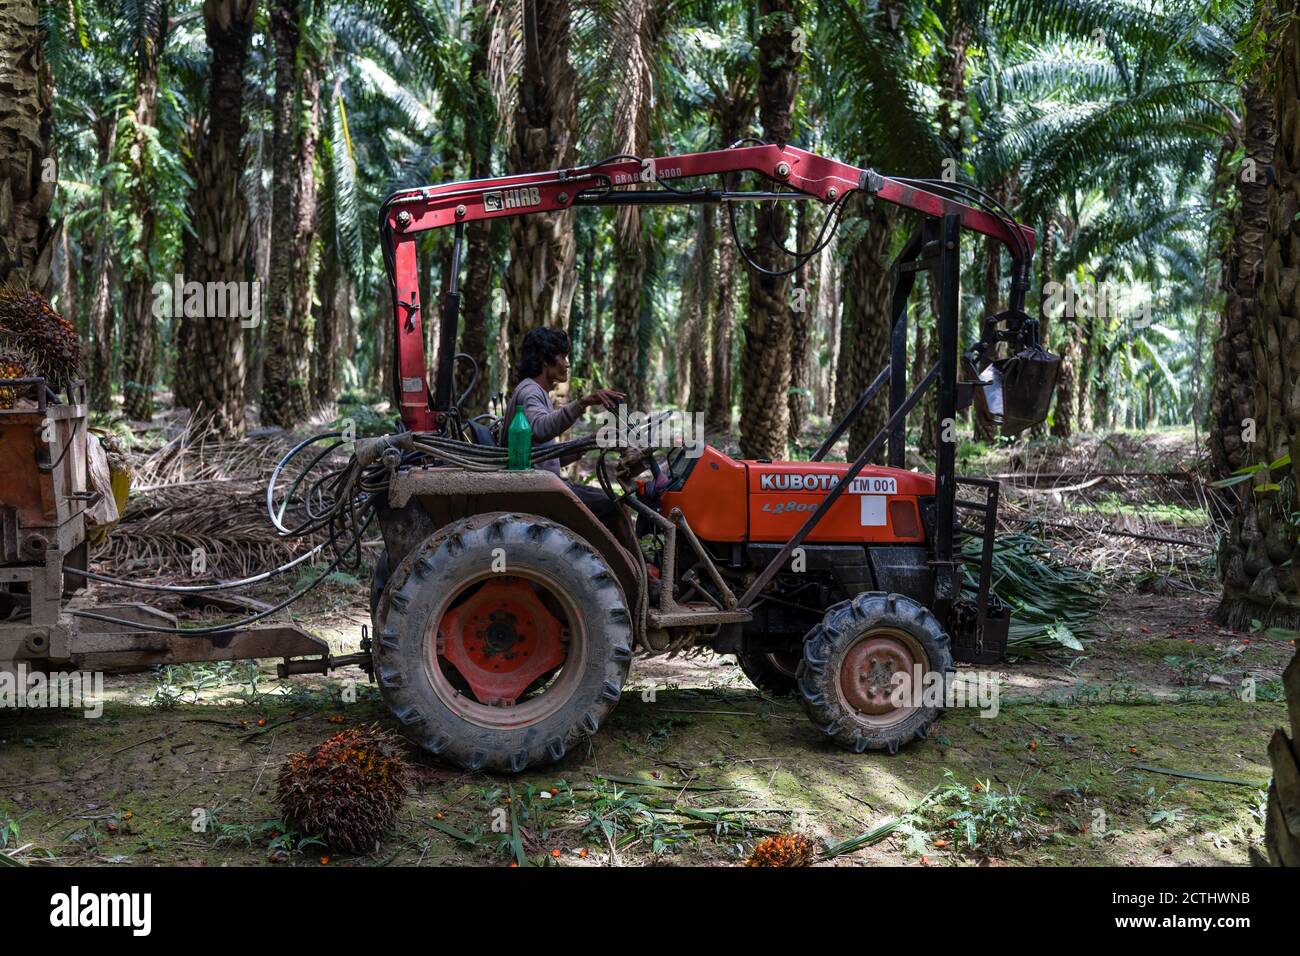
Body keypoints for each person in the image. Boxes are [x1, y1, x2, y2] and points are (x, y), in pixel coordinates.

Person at [506, 327, 624, 521]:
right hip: (542, 491)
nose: (567, 364)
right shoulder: (530, 392)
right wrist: (583, 402)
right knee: (615, 506)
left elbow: (547, 457)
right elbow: (540, 428)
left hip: (545, 483)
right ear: (545, 360)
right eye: (562, 356)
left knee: (610, 500)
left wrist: (588, 442)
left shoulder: (535, 391)